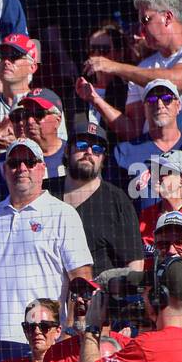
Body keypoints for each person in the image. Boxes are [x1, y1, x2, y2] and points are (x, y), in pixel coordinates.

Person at [0, 139, 94, 362]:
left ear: (42, 168)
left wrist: (69, 332)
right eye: (14, 163)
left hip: (43, 343)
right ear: (5, 170)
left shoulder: (63, 214)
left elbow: (82, 279)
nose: (22, 168)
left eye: (30, 161)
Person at [89, 0, 182, 140]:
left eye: (145, 20)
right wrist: (95, 99)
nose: (141, 29)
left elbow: (178, 80)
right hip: (154, 157)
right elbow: (133, 131)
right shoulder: (142, 68)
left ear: (167, 17)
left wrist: (114, 66)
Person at [44, 118, 145, 276]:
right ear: (66, 150)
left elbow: (135, 264)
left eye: (97, 149)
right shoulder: (45, 192)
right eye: (81, 146)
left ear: (103, 158)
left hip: (97, 295)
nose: (89, 152)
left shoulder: (117, 200)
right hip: (47, 294)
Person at [105, 79, 182, 195]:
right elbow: (112, 202)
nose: (159, 104)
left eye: (167, 99)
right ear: (144, 109)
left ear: (178, 106)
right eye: (152, 100)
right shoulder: (124, 152)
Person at [0, 88, 70, 205]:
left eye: (38, 114)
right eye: (26, 115)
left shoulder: (74, 154)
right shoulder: (5, 163)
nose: (30, 121)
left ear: (58, 120)